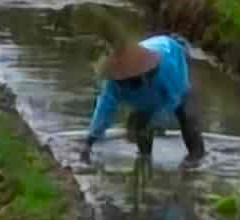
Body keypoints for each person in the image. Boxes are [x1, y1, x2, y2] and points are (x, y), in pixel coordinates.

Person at [81, 35, 205, 165]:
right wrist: (89, 143)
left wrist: (154, 120)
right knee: (140, 124)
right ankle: (145, 160)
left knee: (186, 114)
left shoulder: (166, 69)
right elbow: (103, 110)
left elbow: (174, 99)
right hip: (150, 86)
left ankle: (196, 158)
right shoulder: (114, 83)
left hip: (175, 62)